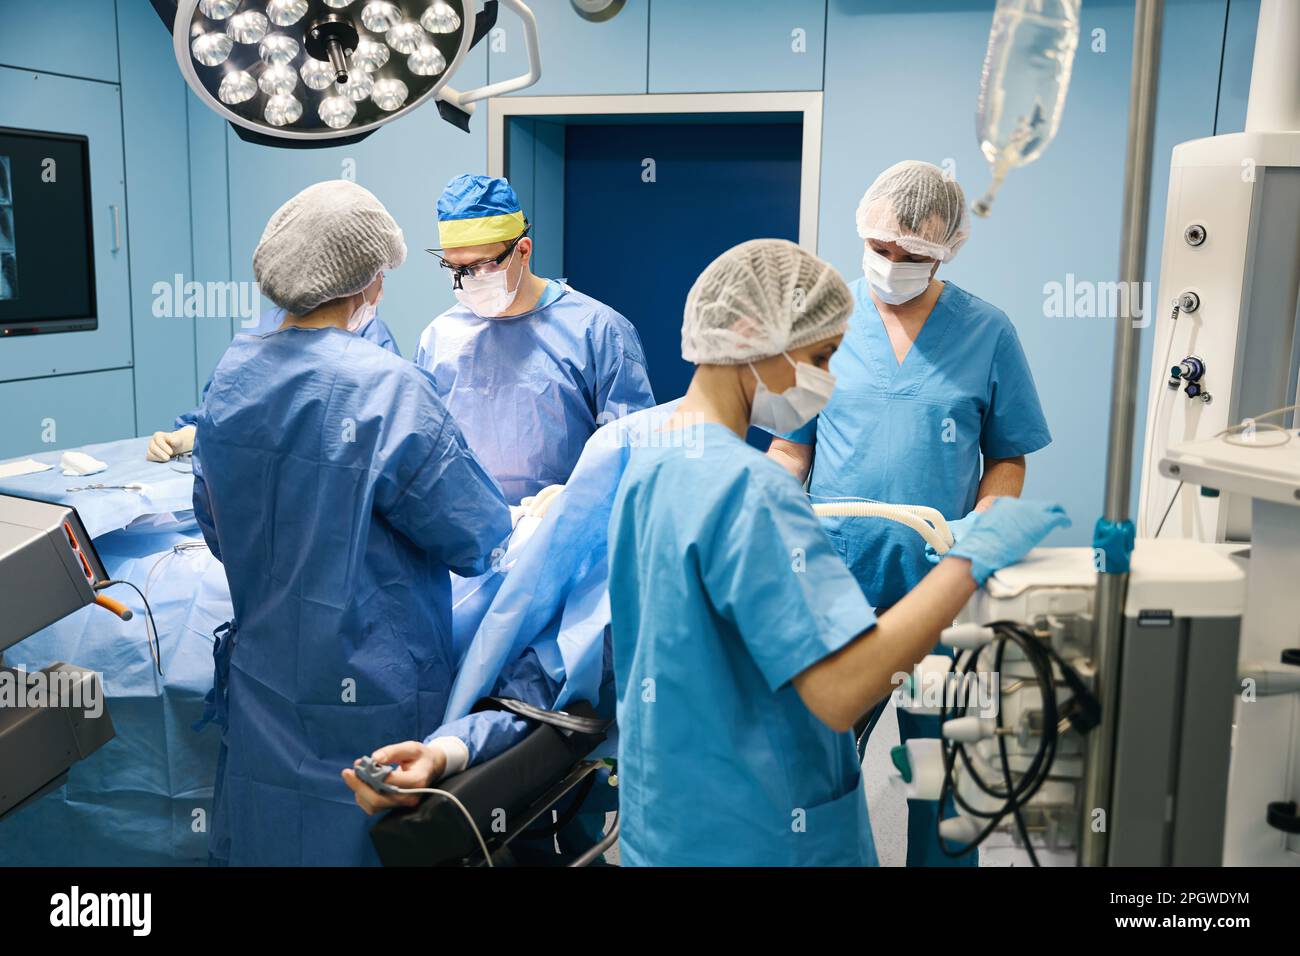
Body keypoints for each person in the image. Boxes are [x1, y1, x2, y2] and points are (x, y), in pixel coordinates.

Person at [606, 238, 1067, 866]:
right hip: (764, 837)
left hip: (672, 826)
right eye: (821, 356)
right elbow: (841, 689)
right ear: (751, 336)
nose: (825, 381)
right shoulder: (751, 491)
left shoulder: (652, 459)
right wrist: (970, 562)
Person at [191, 180, 514, 866]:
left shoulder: (231, 375)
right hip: (370, 695)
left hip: (266, 688)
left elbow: (216, 526)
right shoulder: (386, 387)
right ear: (368, 280)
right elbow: (475, 535)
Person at [767, 161, 1052, 866]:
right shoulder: (824, 324)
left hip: (938, 588)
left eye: (912, 255)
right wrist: (767, 527)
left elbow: (1008, 455)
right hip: (834, 582)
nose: (891, 264)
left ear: (947, 248)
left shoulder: (987, 332)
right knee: (816, 764)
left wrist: (979, 531)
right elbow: (788, 450)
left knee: (942, 771)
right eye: (882, 249)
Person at [414, 174, 656, 503]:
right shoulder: (439, 338)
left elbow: (635, 453)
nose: (467, 281)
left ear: (523, 250)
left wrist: (577, 502)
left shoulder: (598, 332)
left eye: (481, 267)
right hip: (467, 539)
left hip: (568, 536)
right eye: (455, 268)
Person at [146, 298, 402, 462]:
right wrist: (191, 433)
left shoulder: (370, 336)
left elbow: (378, 438)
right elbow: (226, 407)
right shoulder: (263, 330)